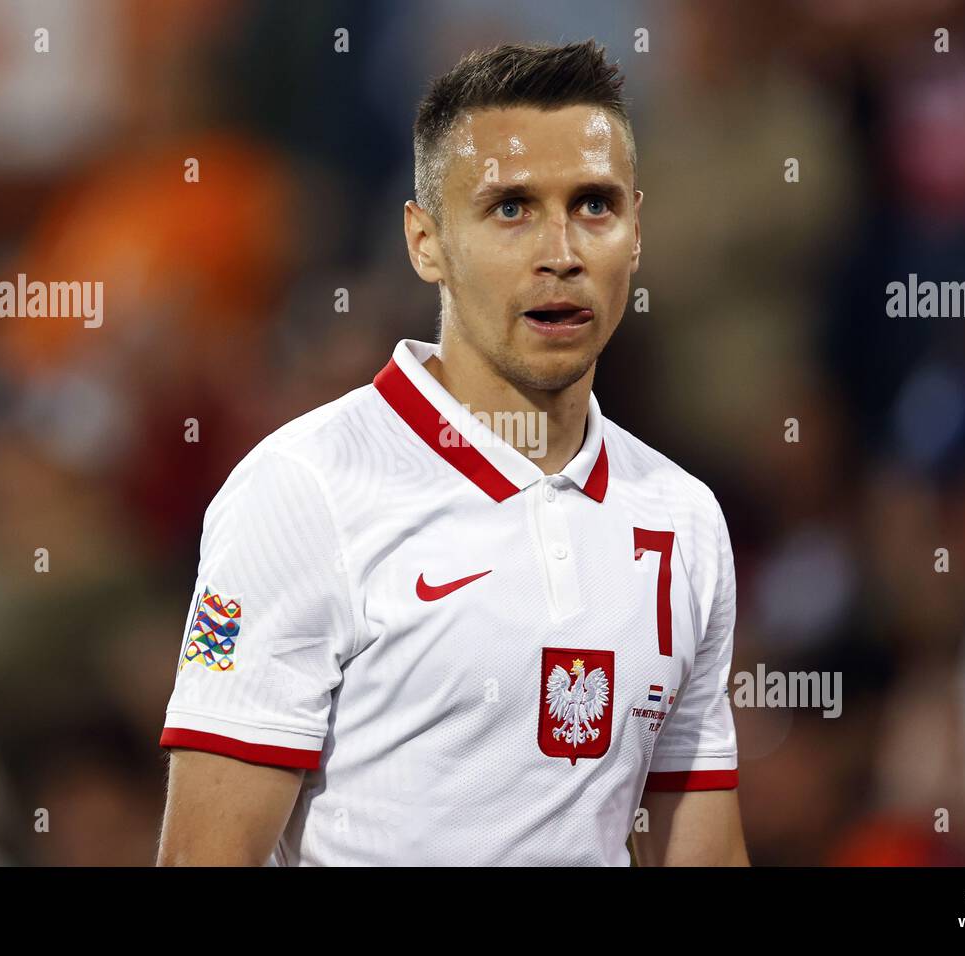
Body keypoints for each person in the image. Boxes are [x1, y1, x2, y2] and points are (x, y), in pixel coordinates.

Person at [156, 39, 747, 866]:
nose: (562, 253)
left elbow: (701, 854)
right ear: (425, 241)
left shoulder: (684, 518)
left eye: (593, 206)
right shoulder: (302, 491)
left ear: (636, 231)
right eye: (511, 209)